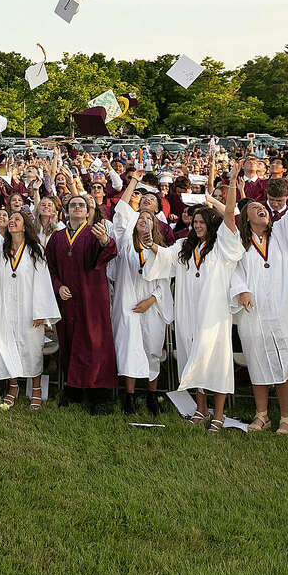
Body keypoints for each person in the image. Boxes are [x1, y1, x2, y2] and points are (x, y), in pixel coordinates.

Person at [140, 160, 244, 430]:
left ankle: (218, 415)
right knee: (192, 357)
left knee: (215, 361)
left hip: (213, 313)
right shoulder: (186, 247)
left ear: (210, 223)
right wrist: (151, 244)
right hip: (189, 312)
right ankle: (200, 409)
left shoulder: (222, 247)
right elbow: (165, 257)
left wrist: (232, 182)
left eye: (201, 222)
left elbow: (231, 216)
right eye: (194, 222)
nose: (197, 226)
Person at [230, 165, 288, 434]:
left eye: (265, 209)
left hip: (281, 309)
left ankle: (285, 417)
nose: (263, 210)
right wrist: (241, 289)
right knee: (257, 361)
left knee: (284, 361)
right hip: (254, 310)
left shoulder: (281, 234)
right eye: (256, 209)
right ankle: (261, 415)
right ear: (246, 218)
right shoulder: (241, 244)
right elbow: (234, 271)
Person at [46, 193, 118, 413]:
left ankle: (99, 395)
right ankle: (74, 389)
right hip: (68, 300)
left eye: (82, 205)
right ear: (66, 211)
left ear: (89, 212)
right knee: (70, 341)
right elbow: (50, 268)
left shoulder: (95, 232)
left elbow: (109, 252)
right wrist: (58, 286)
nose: (77, 207)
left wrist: (105, 241)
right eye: (72, 205)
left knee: (95, 343)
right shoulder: (57, 237)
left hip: (91, 297)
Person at [107, 173, 172, 414]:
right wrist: (133, 180)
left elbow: (165, 280)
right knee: (129, 347)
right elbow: (123, 209)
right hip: (128, 303)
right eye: (140, 215)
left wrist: (151, 300)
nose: (144, 218)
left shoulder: (160, 248)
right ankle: (130, 395)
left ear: (156, 221)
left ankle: (152, 395)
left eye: (149, 216)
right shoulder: (125, 242)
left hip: (151, 305)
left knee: (152, 349)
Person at [0, 209, 59, 410]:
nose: (12, 221)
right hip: (6, 307)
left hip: (30, 309)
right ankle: (13, 387)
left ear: (25, 225)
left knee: (31, 349)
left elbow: (43, 282)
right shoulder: (1, 250)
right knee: (8, 346)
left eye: (16, 219)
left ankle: (36, 389)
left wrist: (40, 312)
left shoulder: (34, 250)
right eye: (10, 219)